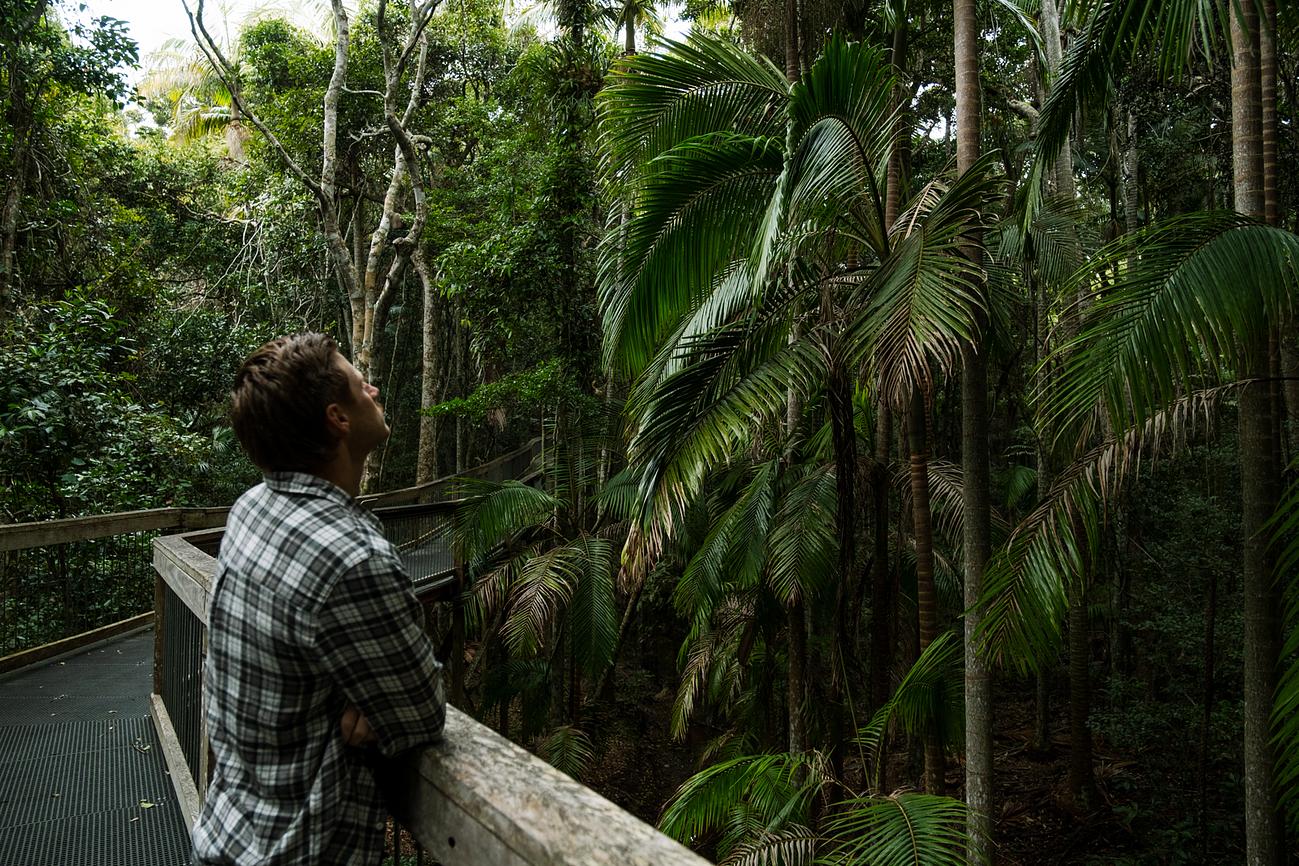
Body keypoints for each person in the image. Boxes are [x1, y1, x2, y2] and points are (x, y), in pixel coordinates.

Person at [193, 333, 446, 865]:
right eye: (361, 385)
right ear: (340, 418)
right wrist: (370, 694)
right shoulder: (353, 559)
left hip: (228, 834)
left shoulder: (251, 508)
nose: (374, 389)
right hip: (300, 852)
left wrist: (362, 692)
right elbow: (421, 710)